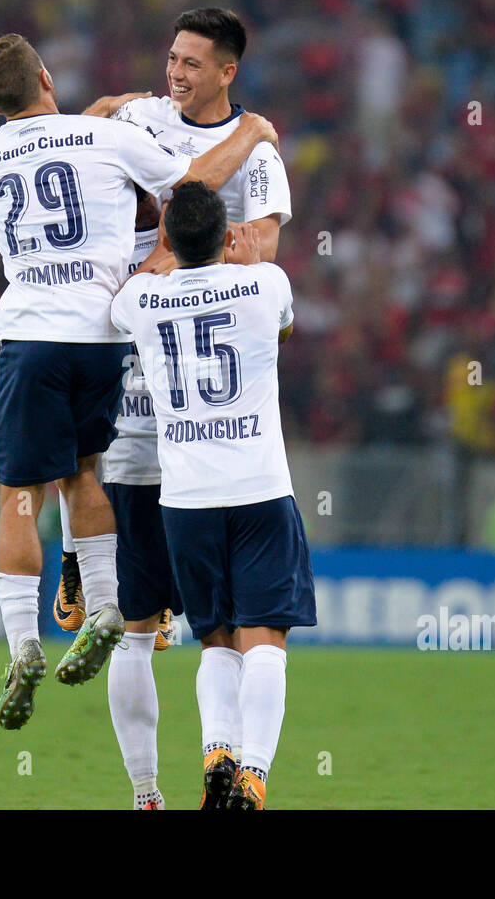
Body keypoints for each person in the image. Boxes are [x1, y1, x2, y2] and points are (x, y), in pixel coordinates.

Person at [0, 8, 292, 807]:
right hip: (137, 376)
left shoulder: (261, 154)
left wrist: (175, 231)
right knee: (141, 612)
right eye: (170, 58)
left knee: (204, 619)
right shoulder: (131, 118)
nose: (174, 74)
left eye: (192, 64)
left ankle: (218, 761)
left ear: (227, 73)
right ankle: (149, 790)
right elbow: (97, 123)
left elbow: (264, 243)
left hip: (169, 369)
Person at [111, 181, 315, 810]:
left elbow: (127, 299)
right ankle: (253, 772)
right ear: (228, 237)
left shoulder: (143, 300)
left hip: (186, 500)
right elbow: (281, 328)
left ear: (169, 239)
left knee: (217, 639)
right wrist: (242, 261)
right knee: (265, 640)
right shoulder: (266, 283)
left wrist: (170, 253)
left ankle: (215, 753)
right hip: (259, 490)